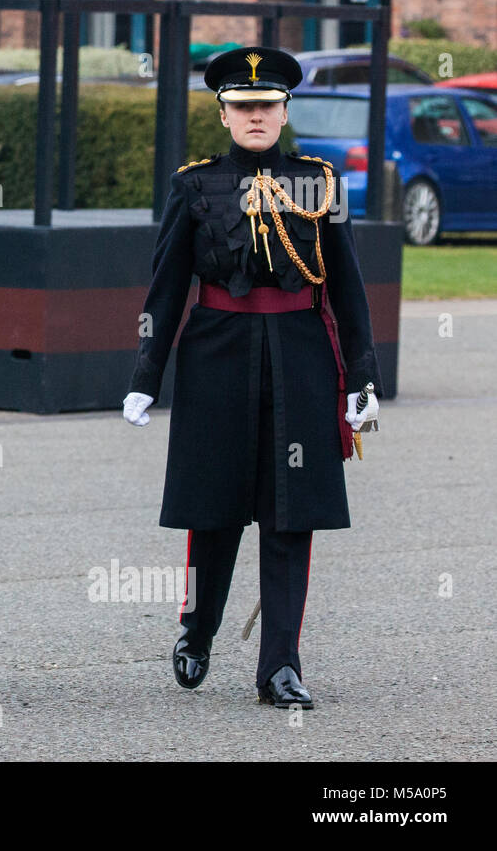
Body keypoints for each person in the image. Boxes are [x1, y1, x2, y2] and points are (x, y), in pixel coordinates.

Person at [122, 46, 380, 709]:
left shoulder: (320, 183)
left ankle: (280, 667)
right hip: (217, 352)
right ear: (224, 114)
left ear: (286, 111)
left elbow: (347, 288)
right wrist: (145, 374)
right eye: (243, 106)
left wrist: (361, 376)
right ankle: (198, 629)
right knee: (213, 509)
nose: (256, 116)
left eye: (267, 106)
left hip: (300, 356)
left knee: (291, 517)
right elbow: (166, 285)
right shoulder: (194, 184)